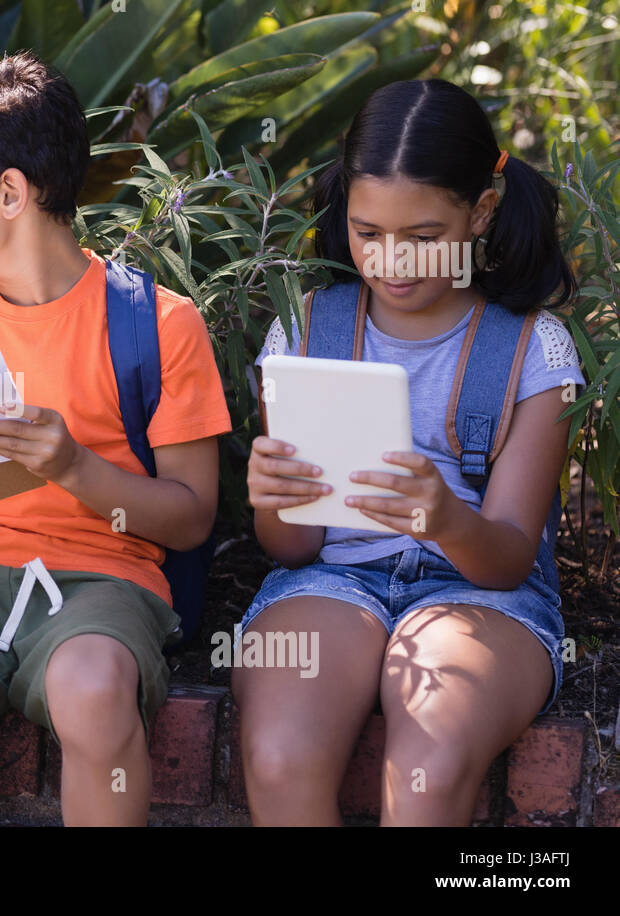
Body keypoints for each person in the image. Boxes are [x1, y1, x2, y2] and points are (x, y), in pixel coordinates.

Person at [0, 52, 233, 826]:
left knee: (91, 692)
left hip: (105, 582)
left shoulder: (156, 326)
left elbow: (192, 517)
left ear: (11, 194)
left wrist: (73, 467)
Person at [237, 78, 583, 826]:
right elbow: (292, 548)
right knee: (279, 756)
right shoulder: (308, 331)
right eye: (367, 232)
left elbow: (510, 559)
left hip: (484, 595)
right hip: (331, 581)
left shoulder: (532, 351)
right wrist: (272, 496)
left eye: (423, 238)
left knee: (429, 765)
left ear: (481, 212)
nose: (390, 261)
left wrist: (443, 520)